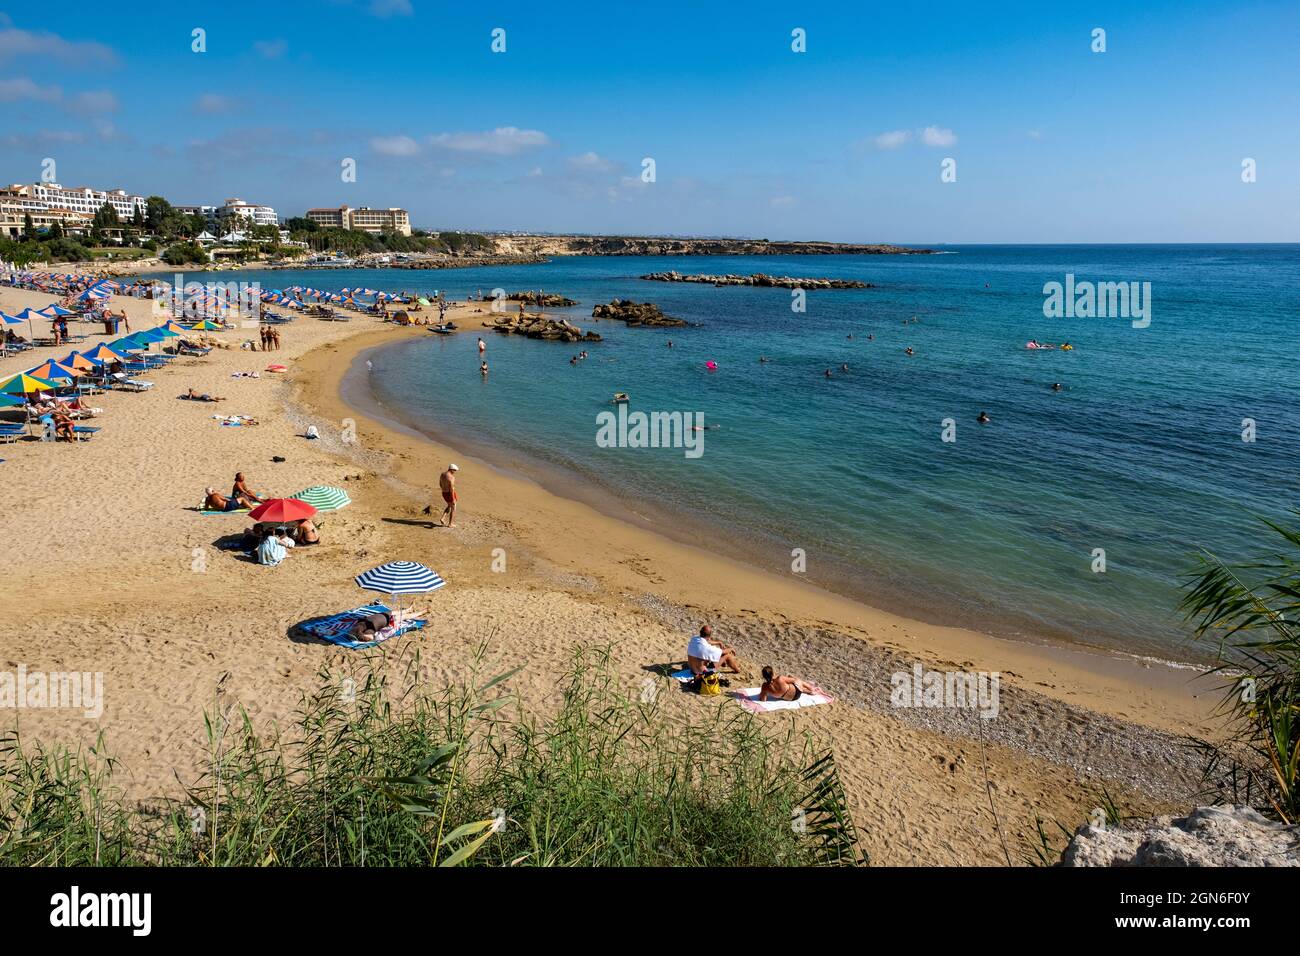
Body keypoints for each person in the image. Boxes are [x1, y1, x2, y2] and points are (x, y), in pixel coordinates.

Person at [438, 463, 459, 527]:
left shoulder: (442, 474)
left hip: (444, 493)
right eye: (454, 470)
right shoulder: (452, 477)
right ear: (451, 469)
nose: (455, 472)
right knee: (453, 508)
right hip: (450, 493)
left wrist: (444, 489)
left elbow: (440, 483)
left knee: (449, 506)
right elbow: (452, 488)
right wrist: (453, 498)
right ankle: (450, 524)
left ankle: (443, 518)